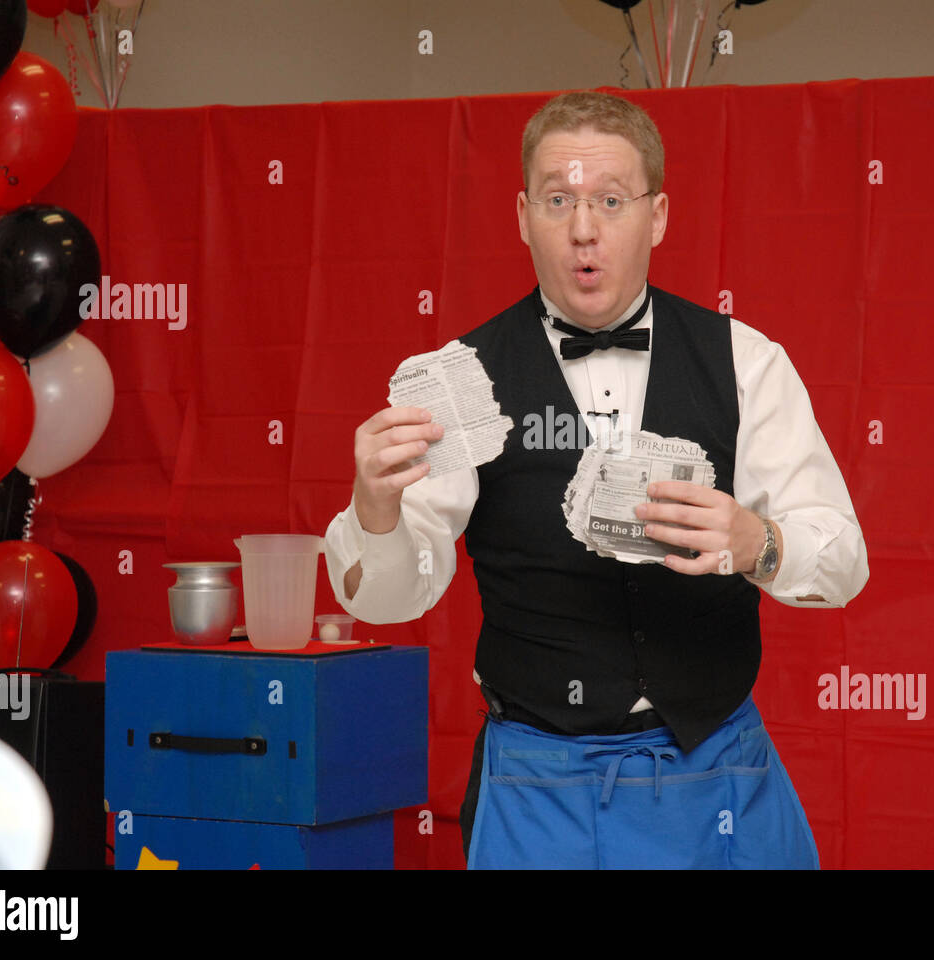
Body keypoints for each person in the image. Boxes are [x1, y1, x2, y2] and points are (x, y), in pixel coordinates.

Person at [324, 90, 868, 869]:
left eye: (611, 201)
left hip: (715, 768)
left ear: (658, 216)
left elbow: (844, 561)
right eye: (559, 200)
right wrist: (374, 510)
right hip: (538, 789)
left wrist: (759, 542)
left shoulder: (747, 362)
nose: (584, 230)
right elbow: (394, 596)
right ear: (522, 217)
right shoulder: (461, 381)